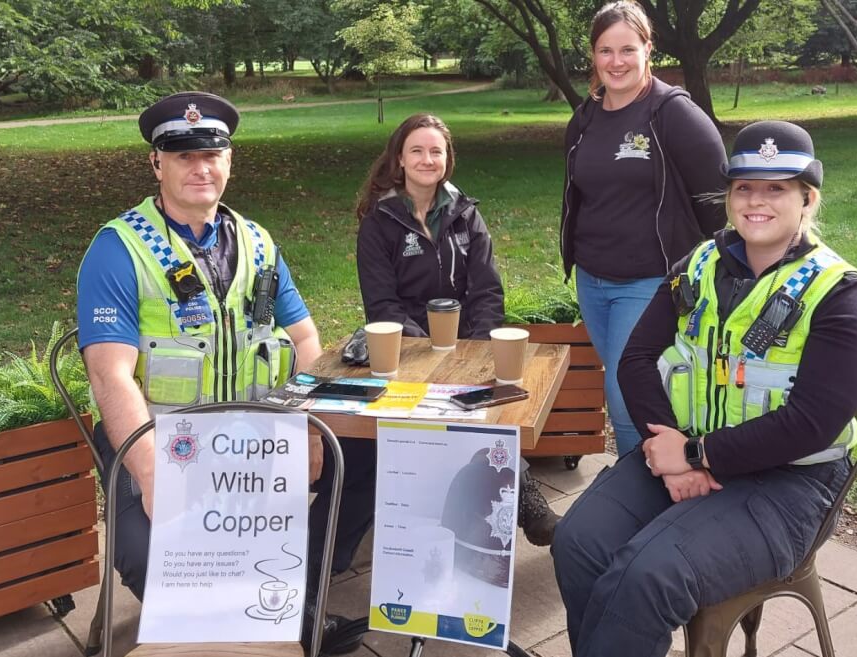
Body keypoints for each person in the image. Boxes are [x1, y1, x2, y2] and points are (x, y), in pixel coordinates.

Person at [551, 120, 857, 656]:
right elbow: (635, 358)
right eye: (744, 187)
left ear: (807, 198)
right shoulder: (698, 266)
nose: (757, 201)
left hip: (787, 485)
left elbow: (814, 421)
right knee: (577, 543)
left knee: (644, 578)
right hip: (683, 446)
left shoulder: (839, 294)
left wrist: (698, 454)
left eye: (777, 189)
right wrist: (671, 450)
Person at [75, 91, 364, 654]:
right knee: (175, 579)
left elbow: (305, 339)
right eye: (183, 156)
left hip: (251, 446)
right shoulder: (118, 249)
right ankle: (272, 619)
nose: (200, 168)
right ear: (156, 163)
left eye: (213, 154)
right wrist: (156, 476)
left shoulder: (256, 242)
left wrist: (307, 428)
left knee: (363, 463)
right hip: (158, 448)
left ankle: (289, 606)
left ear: (229, 162)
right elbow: (110, 377)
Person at [342, 113, 559, 547]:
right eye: (416, 151)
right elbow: (382, 306)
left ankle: (520, 500)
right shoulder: (379, 223)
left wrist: (473, 350)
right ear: (399, 160)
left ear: (448, 159)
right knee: (443, 412)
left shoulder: (466, 215)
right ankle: (525, 499)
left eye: (435, 151)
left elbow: (487, 292)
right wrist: (433, 353)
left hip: (466, 346)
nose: (427, 159)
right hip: (405, 348)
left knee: (480, 402)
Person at [560, 1, 729, 457]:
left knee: (626, 391)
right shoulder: (586, 116)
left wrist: (692, 261)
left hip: (652, 280)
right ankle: (647, 484)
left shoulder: (673, 114)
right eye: (605, 50)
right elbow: (580, 193)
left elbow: (718, 200)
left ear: (648, 49)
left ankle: (643, 493)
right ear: (593, 55)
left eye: (627, 49)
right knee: (636, 388)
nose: (616, 61)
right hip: (592, 279)